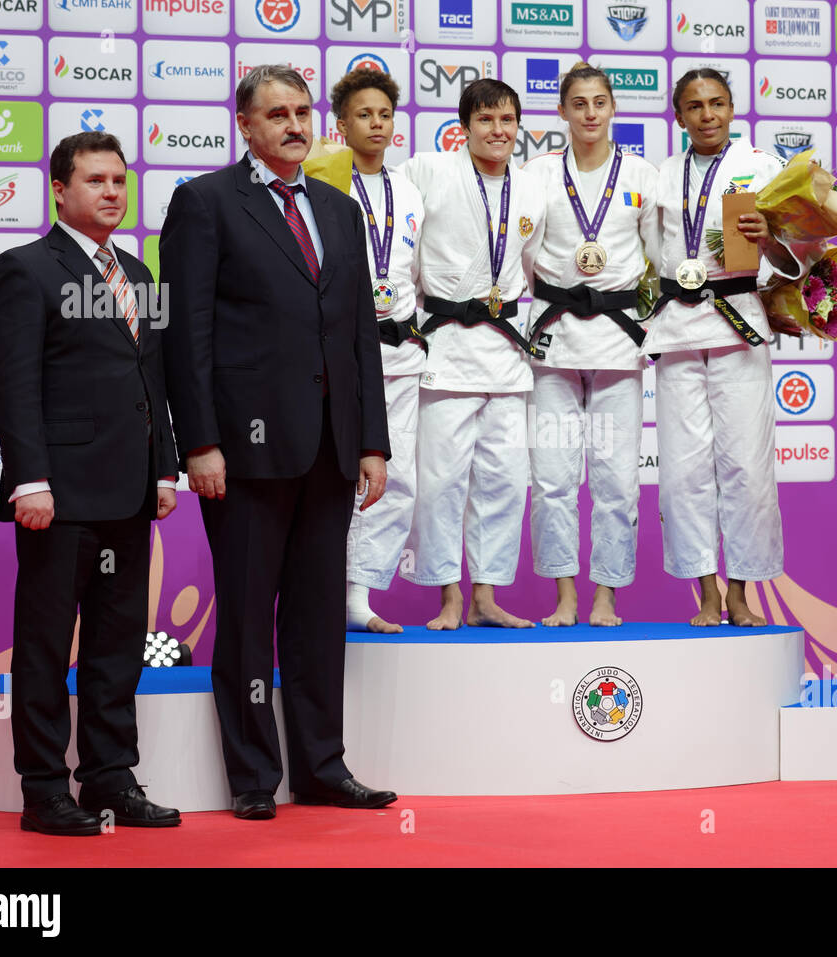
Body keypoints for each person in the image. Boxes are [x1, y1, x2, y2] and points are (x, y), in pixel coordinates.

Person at [160, 64, 395, 819]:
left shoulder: (337, 207)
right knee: (247, 616)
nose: (295, 124)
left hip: (331, 448)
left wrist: (372, 442)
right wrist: (198, 442)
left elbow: (360, 333)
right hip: (245, 450)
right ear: (247, 126)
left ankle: (324, 767)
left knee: (321, 617)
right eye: (278, 114)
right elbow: (185, 333)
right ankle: (253, 776)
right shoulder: (203, 203)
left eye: (302, 112)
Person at [0, 131, 181, 835]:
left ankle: (110, 775)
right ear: (60, 191)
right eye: (96, 180)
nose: (111, 192)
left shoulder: (138, 271)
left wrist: (165, 464)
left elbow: (150, 380)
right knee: (45, 644)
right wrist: (29, 479)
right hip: (59, 495)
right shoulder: (25, 269)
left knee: (117, 642)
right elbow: (13, 384)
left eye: (119, 181)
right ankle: (43, 790)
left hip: (132, 490)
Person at [645, 69, 812, 627]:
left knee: (745, 463)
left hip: (739, 324)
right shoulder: (662, 176)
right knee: (684, 470)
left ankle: (739, 590)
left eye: (716, 103)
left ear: (733, 108)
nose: (707, 115)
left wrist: (768, 241)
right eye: (694, 106)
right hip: (676, 328)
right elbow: (651, 255)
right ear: (679, 115)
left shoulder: (762, 168)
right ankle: (706, 591)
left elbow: (797, 261)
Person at [398, 79, 547, 630]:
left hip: (506, 354)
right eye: (486, 120)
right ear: (464, 127)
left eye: (507, 120)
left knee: (504, 481)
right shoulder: (426, 172)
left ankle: (485, 596)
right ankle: (449, 598)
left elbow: (532, 267)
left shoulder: (531, 190)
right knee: (439, 483)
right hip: (445, 348)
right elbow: (400, 253)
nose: (498, 130)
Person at [523, 63, 658, 627]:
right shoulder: (537, 174)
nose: (590, 113)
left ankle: (606, 594)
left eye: (599, 102)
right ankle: (565, 597)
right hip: (554, 339)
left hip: (617, 343)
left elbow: (658, 259)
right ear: (562, 111)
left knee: (616, 478)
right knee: (552, 477)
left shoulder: (643, 175)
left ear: (612, 108)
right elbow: (521, 253)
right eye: (578, 104)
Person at [329, 67, 426, 634]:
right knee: (337, 476)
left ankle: (360, 598)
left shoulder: (410, 192)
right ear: (341, 125)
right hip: (339, 356)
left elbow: (415, 274)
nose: (376, 124)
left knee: (396, 475)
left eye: (384, 114)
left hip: (401, 353)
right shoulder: (324, 187)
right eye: (363, 114)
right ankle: (325, 591)